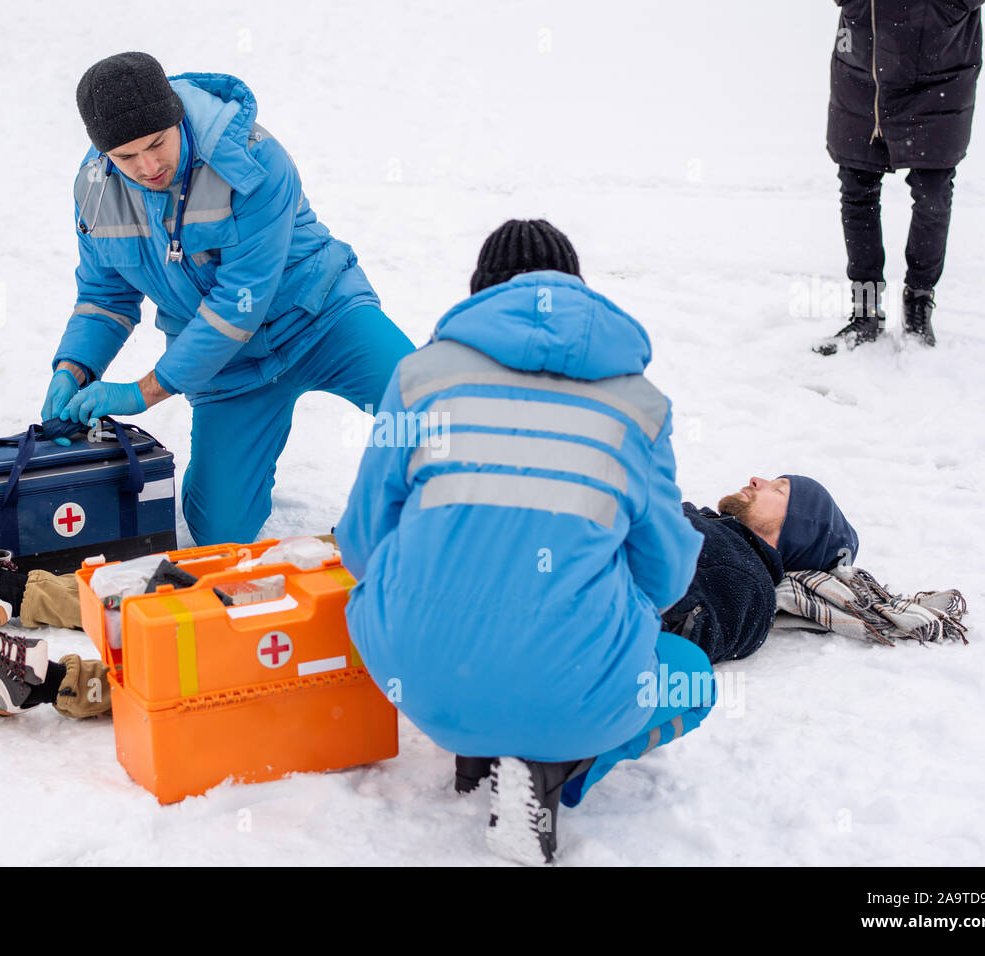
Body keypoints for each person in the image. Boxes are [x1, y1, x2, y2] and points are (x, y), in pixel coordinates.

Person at [333, 219, 712, 865]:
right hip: (570, 696)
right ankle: (559, 767)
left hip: (419, 677)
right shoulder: (638, 406)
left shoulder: (421, 377)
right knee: (691, 678)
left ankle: (481, 732)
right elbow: (665, 575)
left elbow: (364, 537)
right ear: (580, 291)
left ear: (481, 294)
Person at [45, 52, 414, 545]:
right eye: (127, 157)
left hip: (322, 317)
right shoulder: (96, 192)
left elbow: (242, 299)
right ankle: (250, 466)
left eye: (157, 143)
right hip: (228, 366)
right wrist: (73, 367)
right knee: (220, 531)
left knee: (434, 414)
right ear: (102, 153)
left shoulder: (252, 158)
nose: (148, 166)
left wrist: (145, 391)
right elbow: (104, 295)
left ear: (176, 116)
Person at [816, 0, 984, 354]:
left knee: (933, 194)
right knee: (857, 187)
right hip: (865, 72)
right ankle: (866, 310)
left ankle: (919, 299)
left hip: (940, 71)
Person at [666, 476, 859, 663]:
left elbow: (670, 630)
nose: (755, 480)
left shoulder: (747, 580)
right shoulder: (714, 527)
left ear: (796, 533)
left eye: (778, 489)